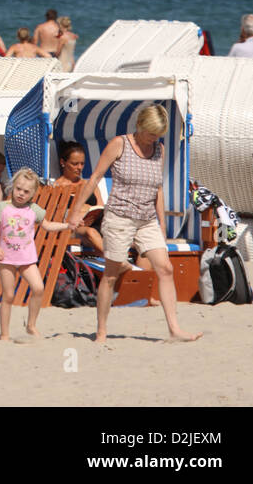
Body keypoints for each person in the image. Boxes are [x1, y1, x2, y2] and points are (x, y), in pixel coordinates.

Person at [69, 104, 201, 343]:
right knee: (111, 275)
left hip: (147, 220)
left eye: (158, 134)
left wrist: (162, 224)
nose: (154, 138)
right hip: (119, 217)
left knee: (165, 268)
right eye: (151, 132)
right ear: (141, 125)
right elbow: (95, 176)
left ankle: (174, 329)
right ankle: (101, 331)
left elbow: (158, 188)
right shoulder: (120, 144)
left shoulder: (158, 150)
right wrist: (76, 211)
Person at [0, 168, 73, 341]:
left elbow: (47, 226)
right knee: (9, 295)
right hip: (7, 258)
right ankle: (4, 334)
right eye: (18, 188)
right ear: (12, 187)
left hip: (27, 258)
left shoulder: (34, 210)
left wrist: (66, 226)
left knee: (38, 288)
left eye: (26, 191)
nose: (21, 193)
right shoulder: (3, 207)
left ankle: (31, 325)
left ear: (33, 193)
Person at [53, 141, 103, 255]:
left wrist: (92, 212)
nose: (79, 167)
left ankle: (140, 272)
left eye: (82, 163)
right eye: (74, 164)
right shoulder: (56, 187)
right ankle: (116, 263)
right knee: (90, 233)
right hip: (72, 229)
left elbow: (100, 207)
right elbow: (56, 216)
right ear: (63, 162)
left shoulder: (90, 185)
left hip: (95, 225)